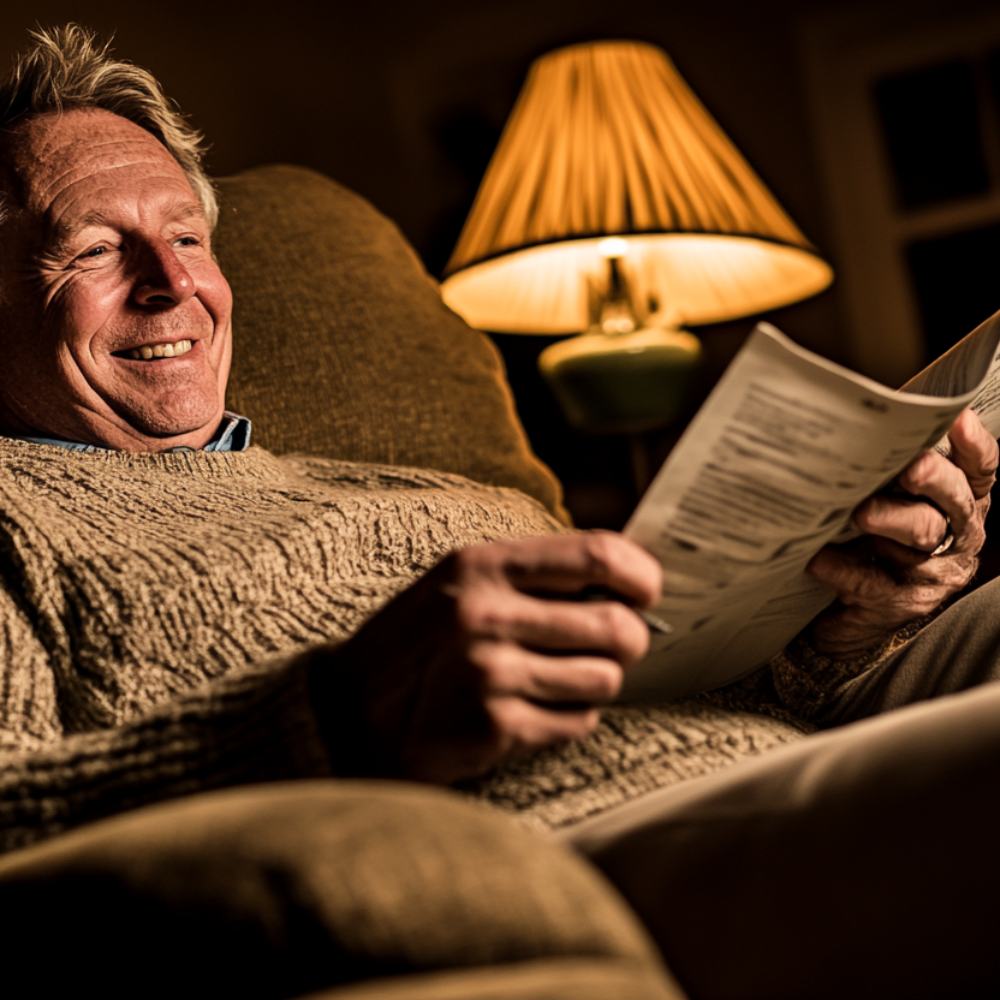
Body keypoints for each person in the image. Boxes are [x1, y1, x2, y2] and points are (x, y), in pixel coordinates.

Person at [0, 24, 996, 1000]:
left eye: (185, 237)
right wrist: (335, 717)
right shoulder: (17, 516)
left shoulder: (412, 488)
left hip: (762, 749)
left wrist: (838, 624)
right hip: (555, 851)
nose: (172, 284)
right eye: (93, 249)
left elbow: (676, 677)